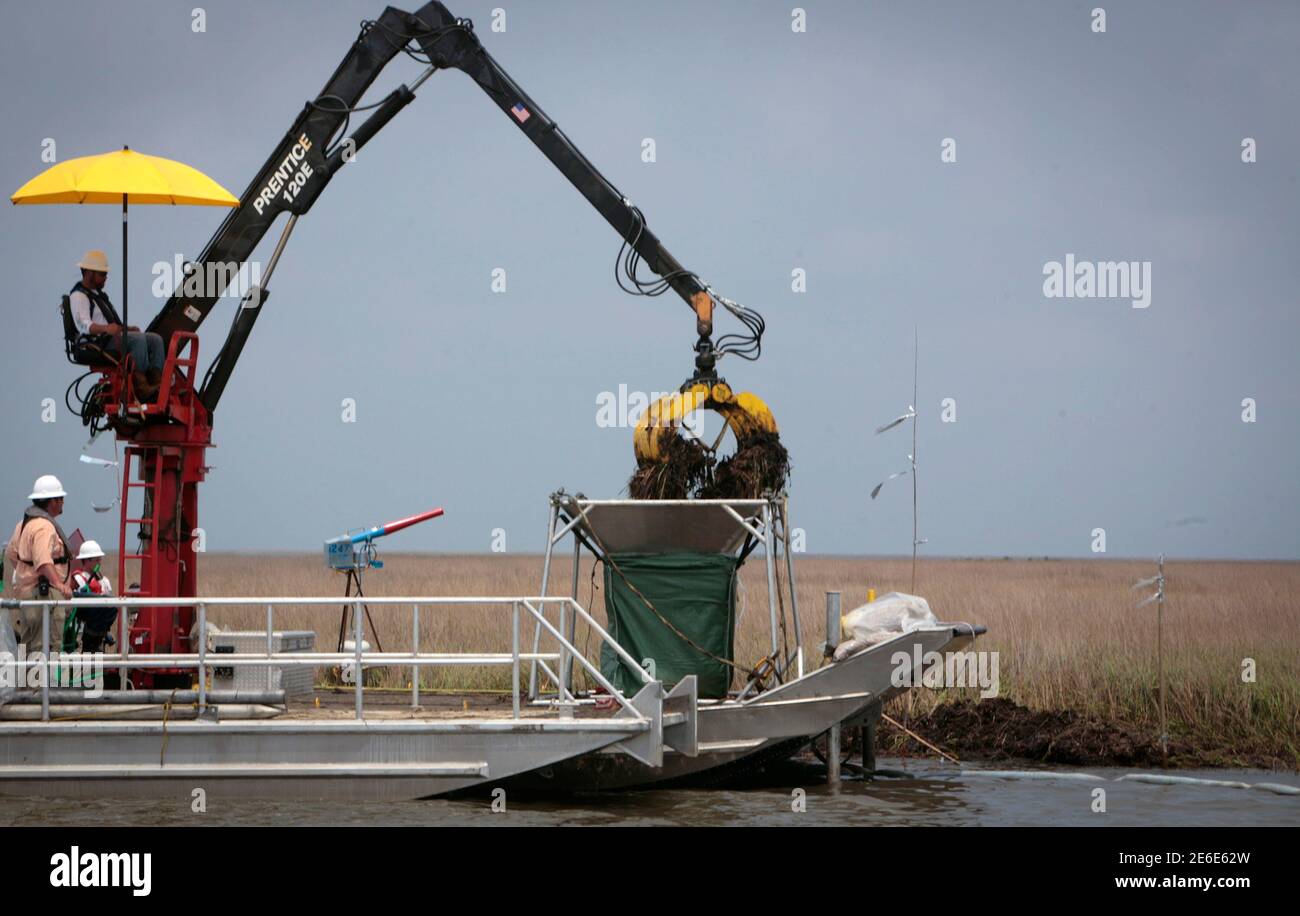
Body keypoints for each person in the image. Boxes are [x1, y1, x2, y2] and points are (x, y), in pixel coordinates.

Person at [70, 250, 165, 400]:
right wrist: (106, 329)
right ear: (88, 273)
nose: (105, 278)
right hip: (98, 343)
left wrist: (127, 329)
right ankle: (141, 387)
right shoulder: (79, 296)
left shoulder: (98, 296)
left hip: (110, 338)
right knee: (138, 340)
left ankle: (158, 384)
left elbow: (112, 323)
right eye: (102, 274)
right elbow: (84, 325)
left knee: (155, 339)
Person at [3, 475, 73, 652]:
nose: (63, 503)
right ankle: (41, 681)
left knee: (30, 648)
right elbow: (42, 561)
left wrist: (26, 574)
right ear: (52, 501)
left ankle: (28, 680)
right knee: (46, 648)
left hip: (29, 595)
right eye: (60, 499)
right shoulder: (44, 526)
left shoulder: (24, 524)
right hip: (43, 596)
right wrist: (58, 584)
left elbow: (12, 553)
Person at [68, 540, 118, 654]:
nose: (99, 563)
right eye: (97, 560)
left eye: (100, 559)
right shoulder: (77, 579)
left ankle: (96, 643)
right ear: (86, 560)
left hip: (99, 627)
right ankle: (89, 646)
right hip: (83, 621)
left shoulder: (104, 581)